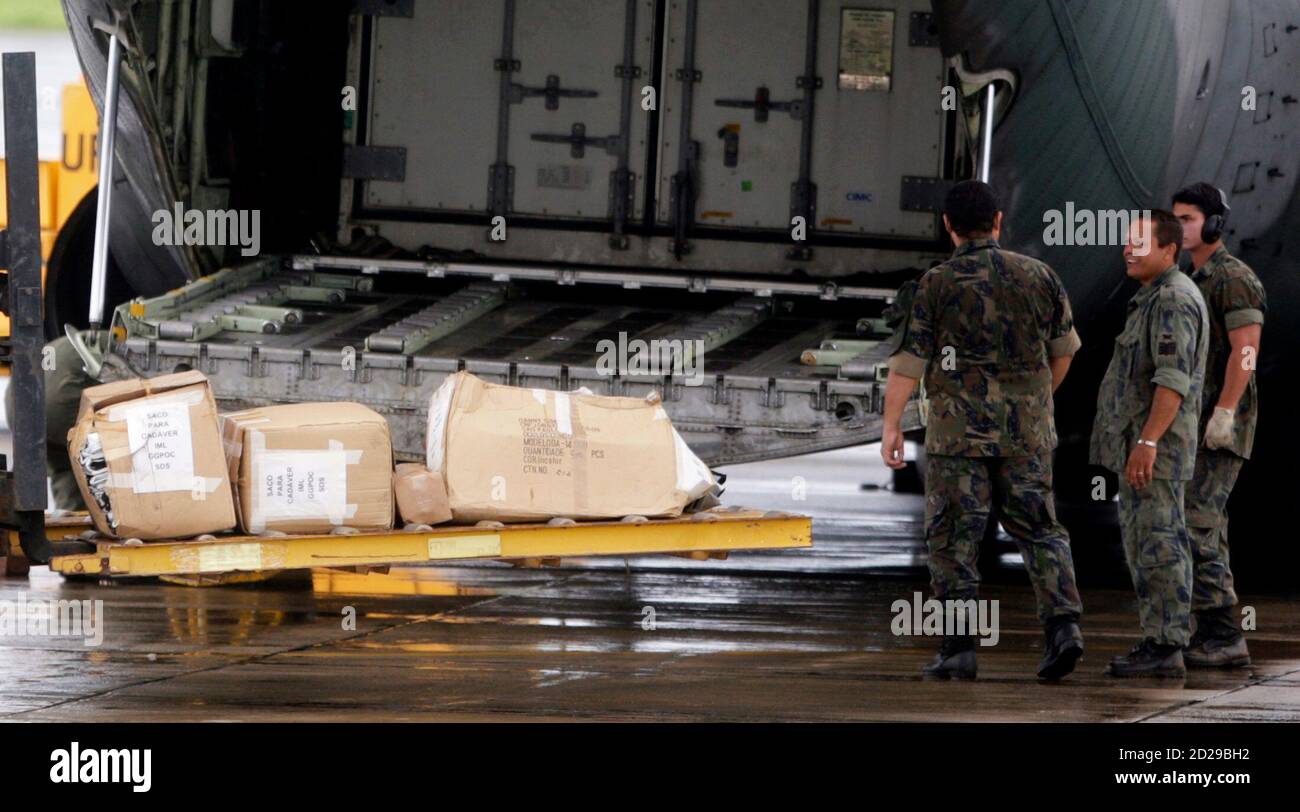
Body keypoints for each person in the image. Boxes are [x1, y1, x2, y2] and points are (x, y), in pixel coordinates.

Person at [881, 180, 1084, 682]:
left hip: (957, 439)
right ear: (998, 222)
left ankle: (959, 649)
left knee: (953, 537)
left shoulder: (936, 284)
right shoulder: (1040, 276)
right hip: (1026, 436)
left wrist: (891, 425)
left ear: (947, 226)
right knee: (1040, 531)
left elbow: (909, 364)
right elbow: (1065, 351)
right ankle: (1063, 629)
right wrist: (1036, 400)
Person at [1091, 210, 1208, 678]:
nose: (1128, 249)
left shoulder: (1174, 300)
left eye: (1140, 243)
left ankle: (1166, 645)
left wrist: (1147, 440)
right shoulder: (1151, 297)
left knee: (1161, 544)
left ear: (1169, 250)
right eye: (1127, 241)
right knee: (1145, 543)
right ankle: (1158, 638)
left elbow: (1172, 380)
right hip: (1144, 449)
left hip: (1156, 450)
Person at [1171, 183, 1266, 667]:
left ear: (1213, 223)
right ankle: (1212, 631)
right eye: (1177, 218)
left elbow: (1246, 350)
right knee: (1202, 525)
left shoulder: (1232, 278)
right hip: (1194, 424)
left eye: (1188, 218)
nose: (1181, 226)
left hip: (1219, 426)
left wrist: (1225, 412)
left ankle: (1226, 635)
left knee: (1197, 524)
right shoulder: (1192, 277)